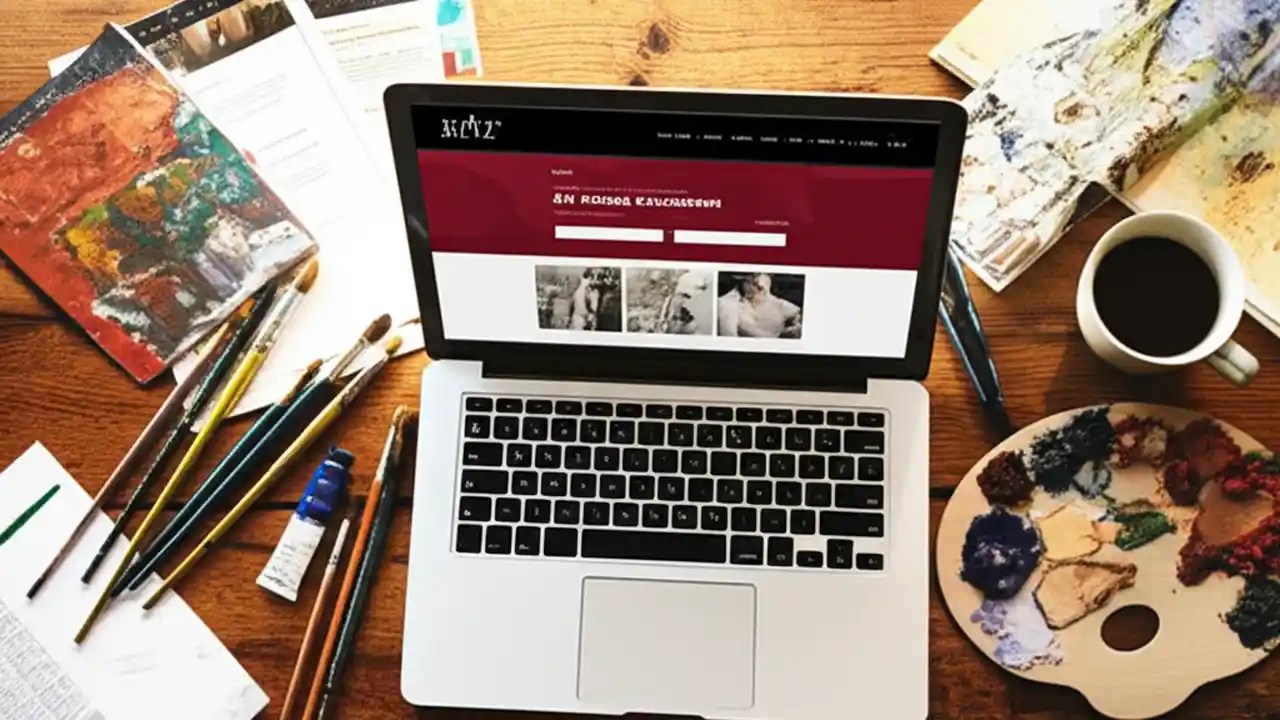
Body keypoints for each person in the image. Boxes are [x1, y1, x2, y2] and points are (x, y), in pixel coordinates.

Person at [717, 273, 802, 338]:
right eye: (753, 282)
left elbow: (800, 318)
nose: (759, 285)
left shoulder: (780, 305)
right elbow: (728, 341)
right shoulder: (728, 305)